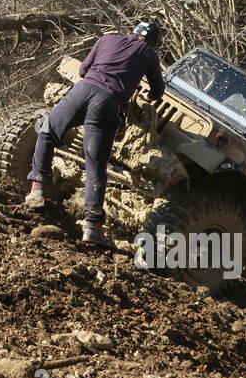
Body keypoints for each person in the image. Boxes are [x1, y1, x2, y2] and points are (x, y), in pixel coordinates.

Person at [26, 21, 166, 249]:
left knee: (48, 132)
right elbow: (158, 92)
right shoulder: (148, 54)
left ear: (132, 31)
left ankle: (37, 189)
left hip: (82, 91)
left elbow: (82, 70)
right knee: (95, 164)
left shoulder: (107, 38)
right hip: (108, 103)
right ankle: (92, 227)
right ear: (153, 42)